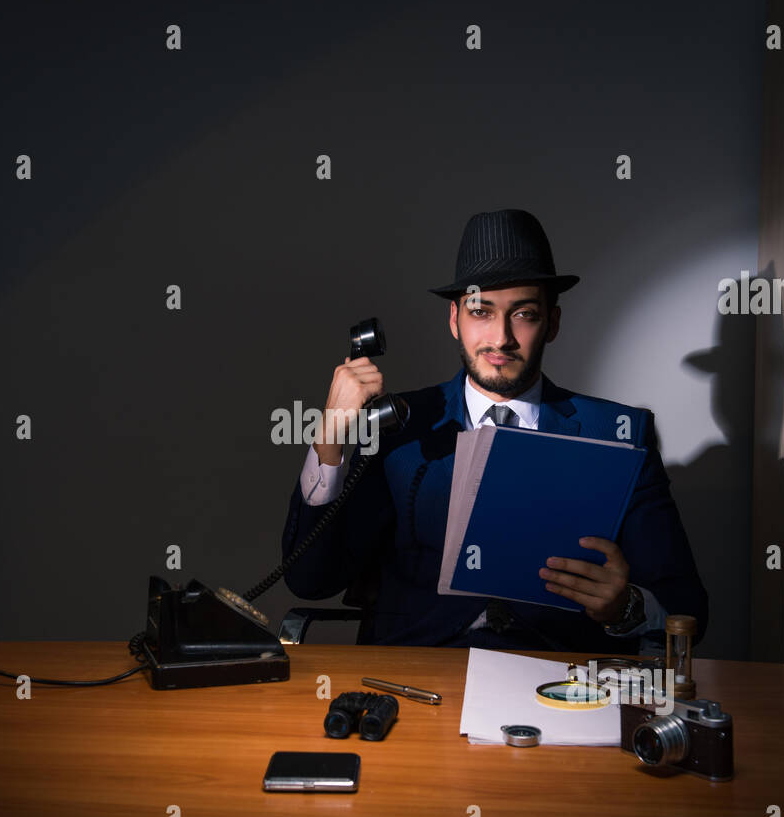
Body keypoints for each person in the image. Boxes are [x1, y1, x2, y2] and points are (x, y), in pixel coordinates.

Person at [280, 209, 707, 655]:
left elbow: (689, 610)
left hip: (559, 679)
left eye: (523, 314)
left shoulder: (619, 432)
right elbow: (310, 579)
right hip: (419, 672)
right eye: (481, 311)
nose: (501, 338)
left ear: (553, 323)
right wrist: (329, 437)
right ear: (454, 320)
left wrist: (626, 606)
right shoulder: (400, 426)